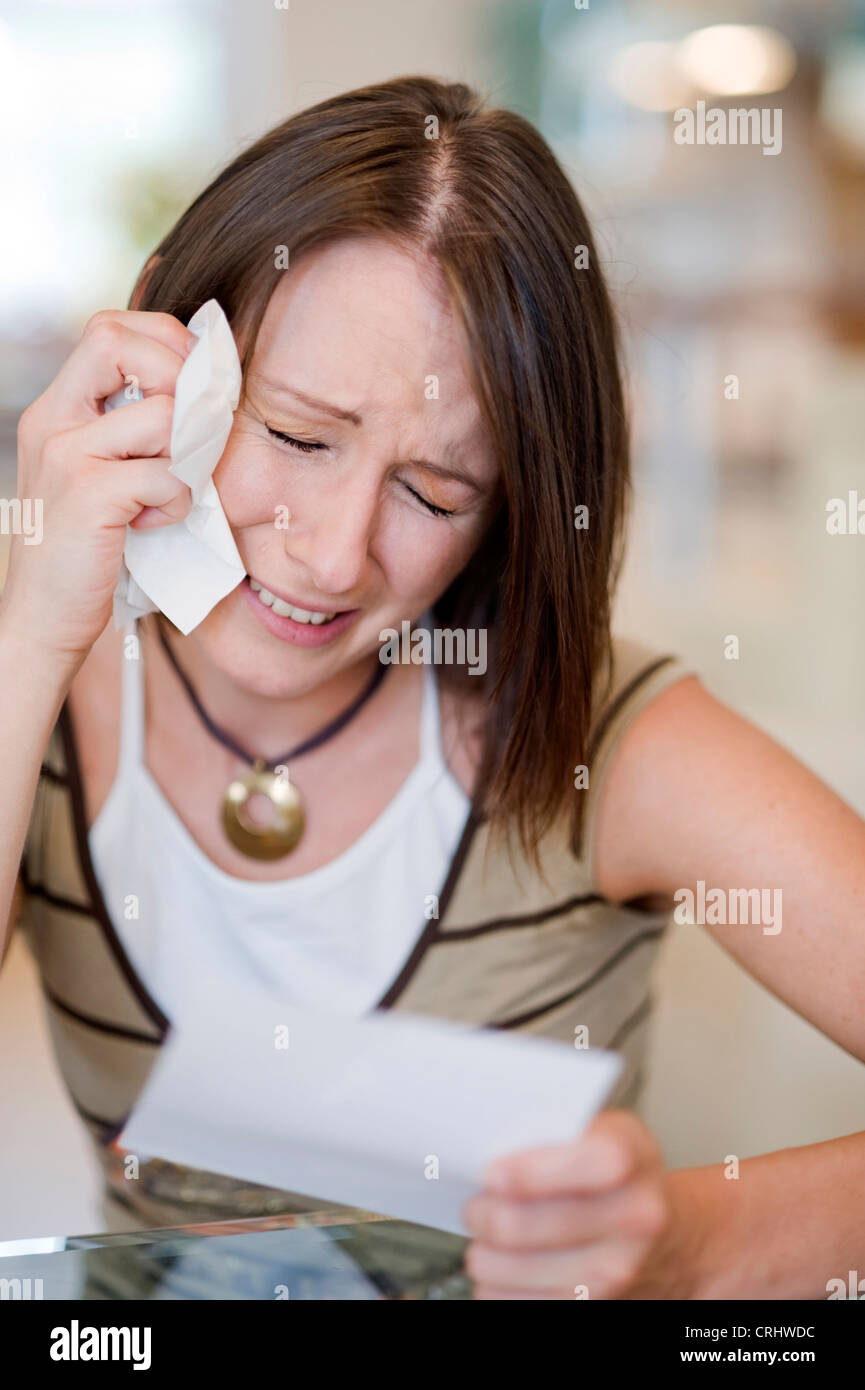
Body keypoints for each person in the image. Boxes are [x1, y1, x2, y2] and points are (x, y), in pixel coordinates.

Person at [2, 76, 862, 1301]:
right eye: (298, 435)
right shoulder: (26, 643)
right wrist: (34, 631)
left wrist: (691, 1243)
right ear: (163, 353)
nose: (335, 552)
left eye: (436, 493)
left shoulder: (608, 745)